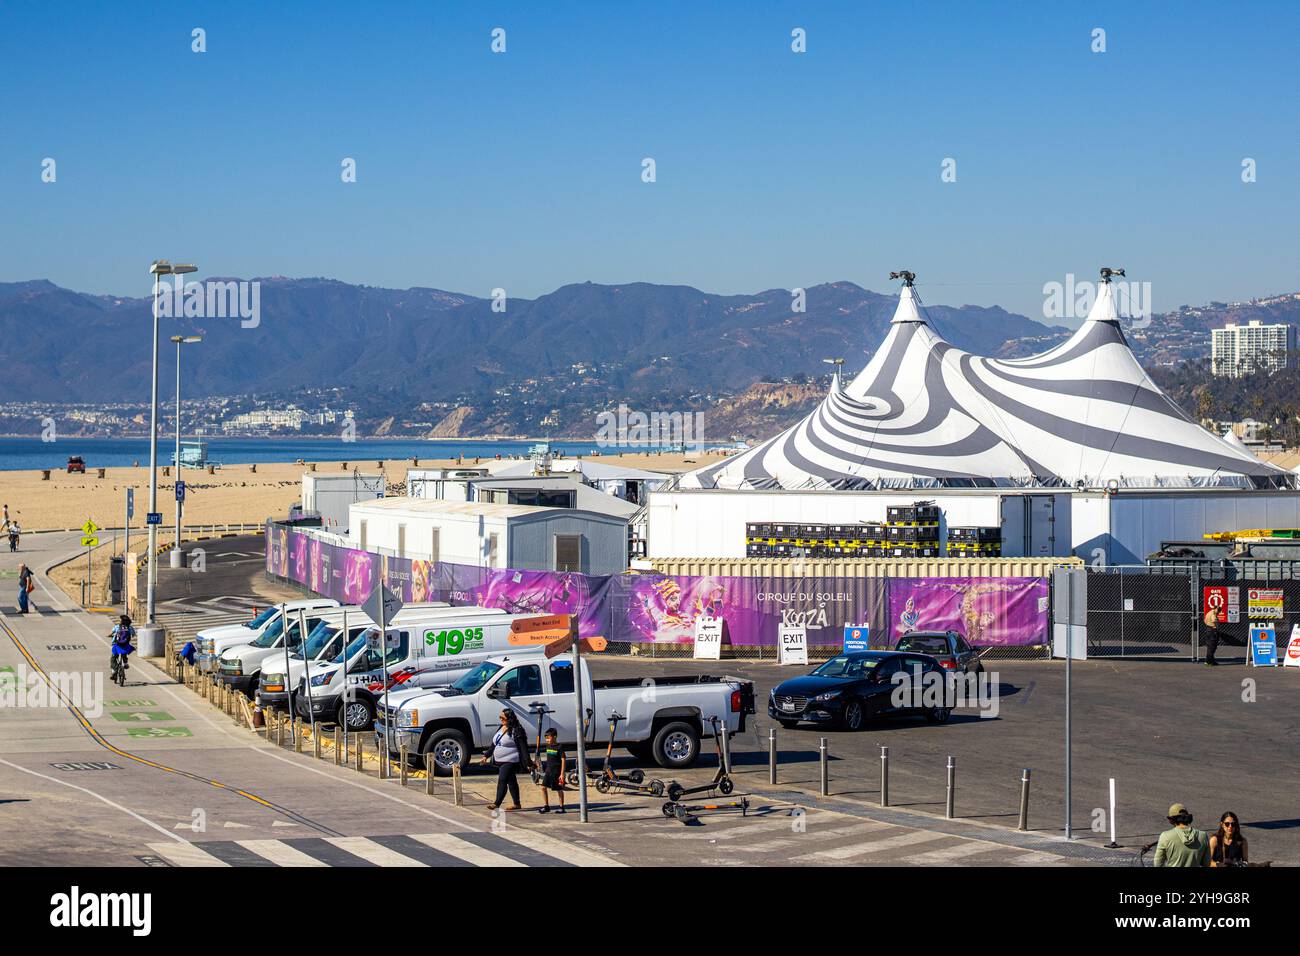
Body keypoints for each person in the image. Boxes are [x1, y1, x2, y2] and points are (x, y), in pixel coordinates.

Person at [482, 709, 532, 812]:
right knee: (511, 781)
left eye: (503, 718)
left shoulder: (517, 730)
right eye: (500, 717)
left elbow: (523, 748)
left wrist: (528, 763)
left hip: (511, 760)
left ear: (509, 718)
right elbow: (494, 744)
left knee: (502, 779)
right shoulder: (501, 728)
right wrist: (486, 755)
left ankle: (497, 803)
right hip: (499, 760)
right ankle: (517, 804)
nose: (501, 719)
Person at [1154, 802, 1211, 867]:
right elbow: (1206, 863)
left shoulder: (1165, 836)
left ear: (1171, 820)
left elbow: (1157, 864)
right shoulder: (1203, 836)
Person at [538, 728, 567, 814]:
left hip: (556, 772)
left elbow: (563, 759)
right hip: (548, 771)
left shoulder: (559, 747)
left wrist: (562, 774)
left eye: (548, 738)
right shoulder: (547, 746)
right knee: (543, 787)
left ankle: (562, 807)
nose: (547, 740)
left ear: (554, 737)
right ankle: (546, 806)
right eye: (546, 738)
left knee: (559, 789)